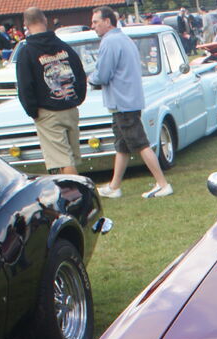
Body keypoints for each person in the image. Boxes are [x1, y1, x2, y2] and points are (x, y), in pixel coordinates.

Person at [89, 6, 173, 198]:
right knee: (122, 145)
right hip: (128, 100)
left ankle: (163, 183)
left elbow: (103, 74)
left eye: (96, 22)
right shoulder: (125, 39)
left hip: (122, 102)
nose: (93, 26)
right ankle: (114, 186)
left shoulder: (109, 42)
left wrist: (90, 79)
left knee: (140, 143)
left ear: (108, 22)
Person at [15, 7, 87, 176]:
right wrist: (77, 98)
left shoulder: (27, 52)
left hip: (48, 111)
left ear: (25, 24)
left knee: (62, 159)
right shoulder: (64, 47)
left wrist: (32, 110)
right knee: (69, 156)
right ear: (45, 20)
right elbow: (80, 74)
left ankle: (77, 195)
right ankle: (68, 190)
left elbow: (25, 86)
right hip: (70, 106)